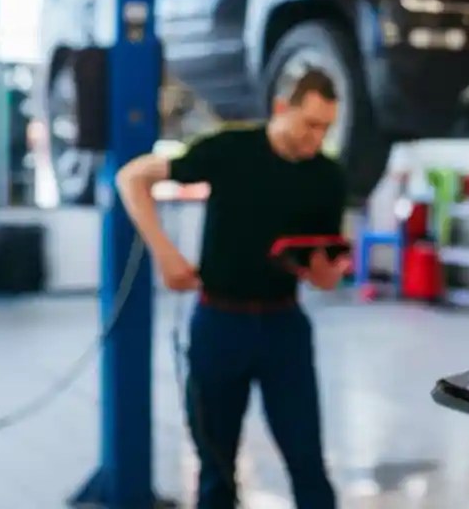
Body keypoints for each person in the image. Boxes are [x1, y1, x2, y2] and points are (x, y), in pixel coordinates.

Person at [116, 68, 351, 509]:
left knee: (307, 462)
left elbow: (323, 262)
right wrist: (165, 255)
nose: (316, 138)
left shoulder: (326, 177)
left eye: (326, 128)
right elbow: (132, 177)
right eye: (309, 124)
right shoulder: (230, 149)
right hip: (219, 325)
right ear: (281, 109)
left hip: (284, 328)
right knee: (216, 468)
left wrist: (326, 274)